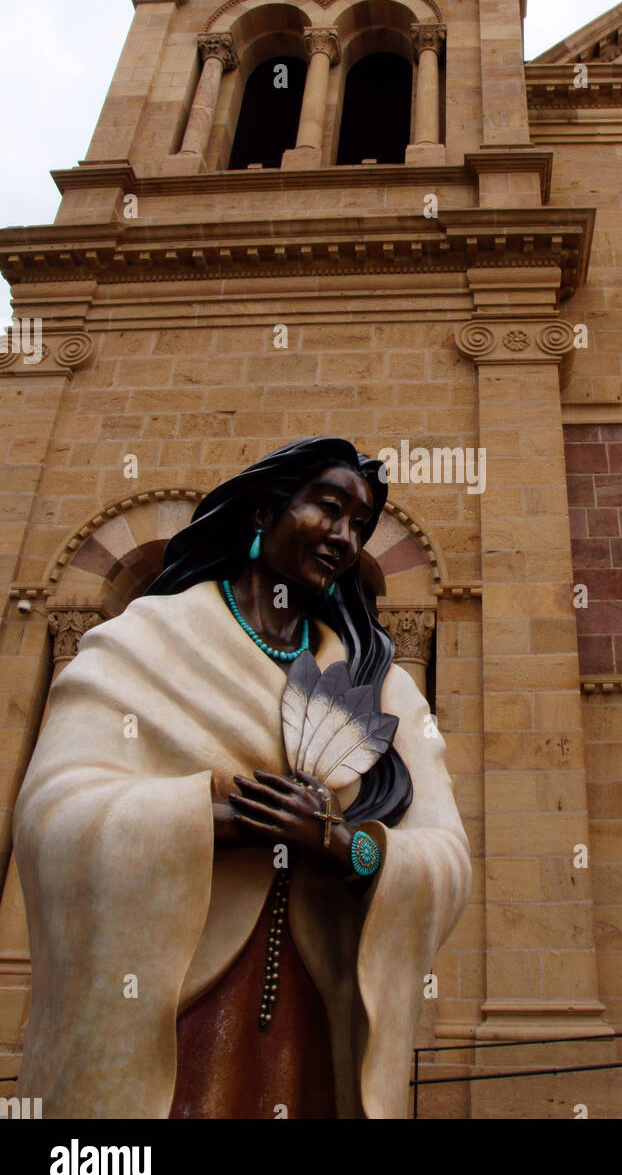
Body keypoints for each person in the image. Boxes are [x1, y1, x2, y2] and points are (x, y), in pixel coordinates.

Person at [14, 436, 471, 1119]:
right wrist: (218, 824)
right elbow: (54, 812)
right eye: (328, 507)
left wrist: (343, 846)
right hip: (172, 1014)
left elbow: (446, 855)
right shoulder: (148, 642)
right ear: (262, 512)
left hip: (317, 1017)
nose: (344, 536)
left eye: (360, 524)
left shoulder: (379, 689)